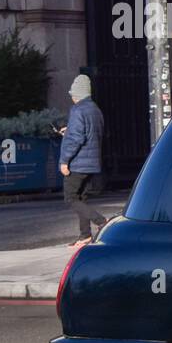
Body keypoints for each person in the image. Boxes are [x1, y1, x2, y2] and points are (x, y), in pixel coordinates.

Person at [58, 74, 106, 246]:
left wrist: (64, 161)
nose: (71, 96)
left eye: (72, 93)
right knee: (81, 198)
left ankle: (101, 221)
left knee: (70, 197)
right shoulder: (95, 109)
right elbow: (90, 134)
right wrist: (69, 130)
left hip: (78, 163)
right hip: (92, 162)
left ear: (77, 94)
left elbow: (76, 139)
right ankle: (85, 235)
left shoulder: (77, 110)